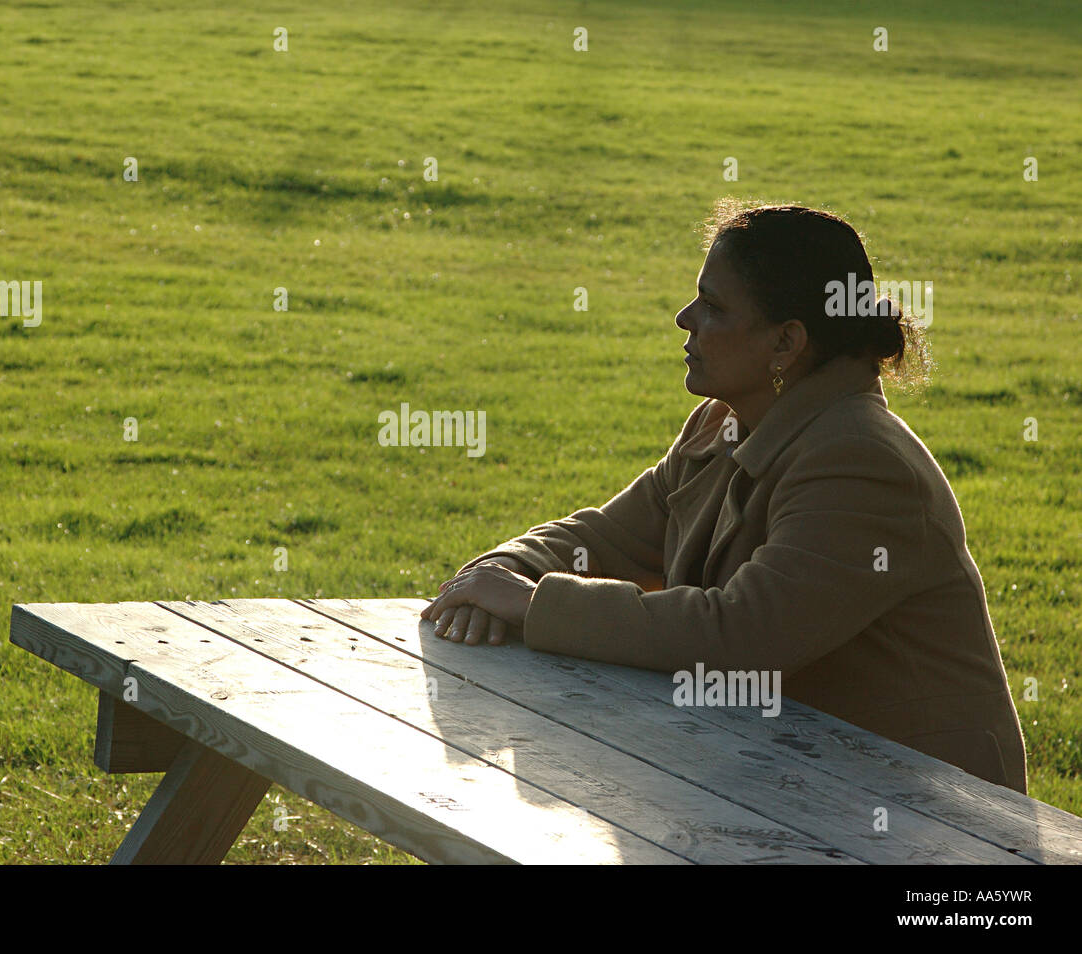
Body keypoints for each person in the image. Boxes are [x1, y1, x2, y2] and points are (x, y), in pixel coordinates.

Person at [421, 202, 1028, 793]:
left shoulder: (862, 463)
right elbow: (601, 539)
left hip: (927, 814)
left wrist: (531, 606)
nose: (683, 318)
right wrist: (497, 574)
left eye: (712, 306)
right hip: (792, 775)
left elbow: (740, 638)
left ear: (786, 342)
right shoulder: (722, 424)